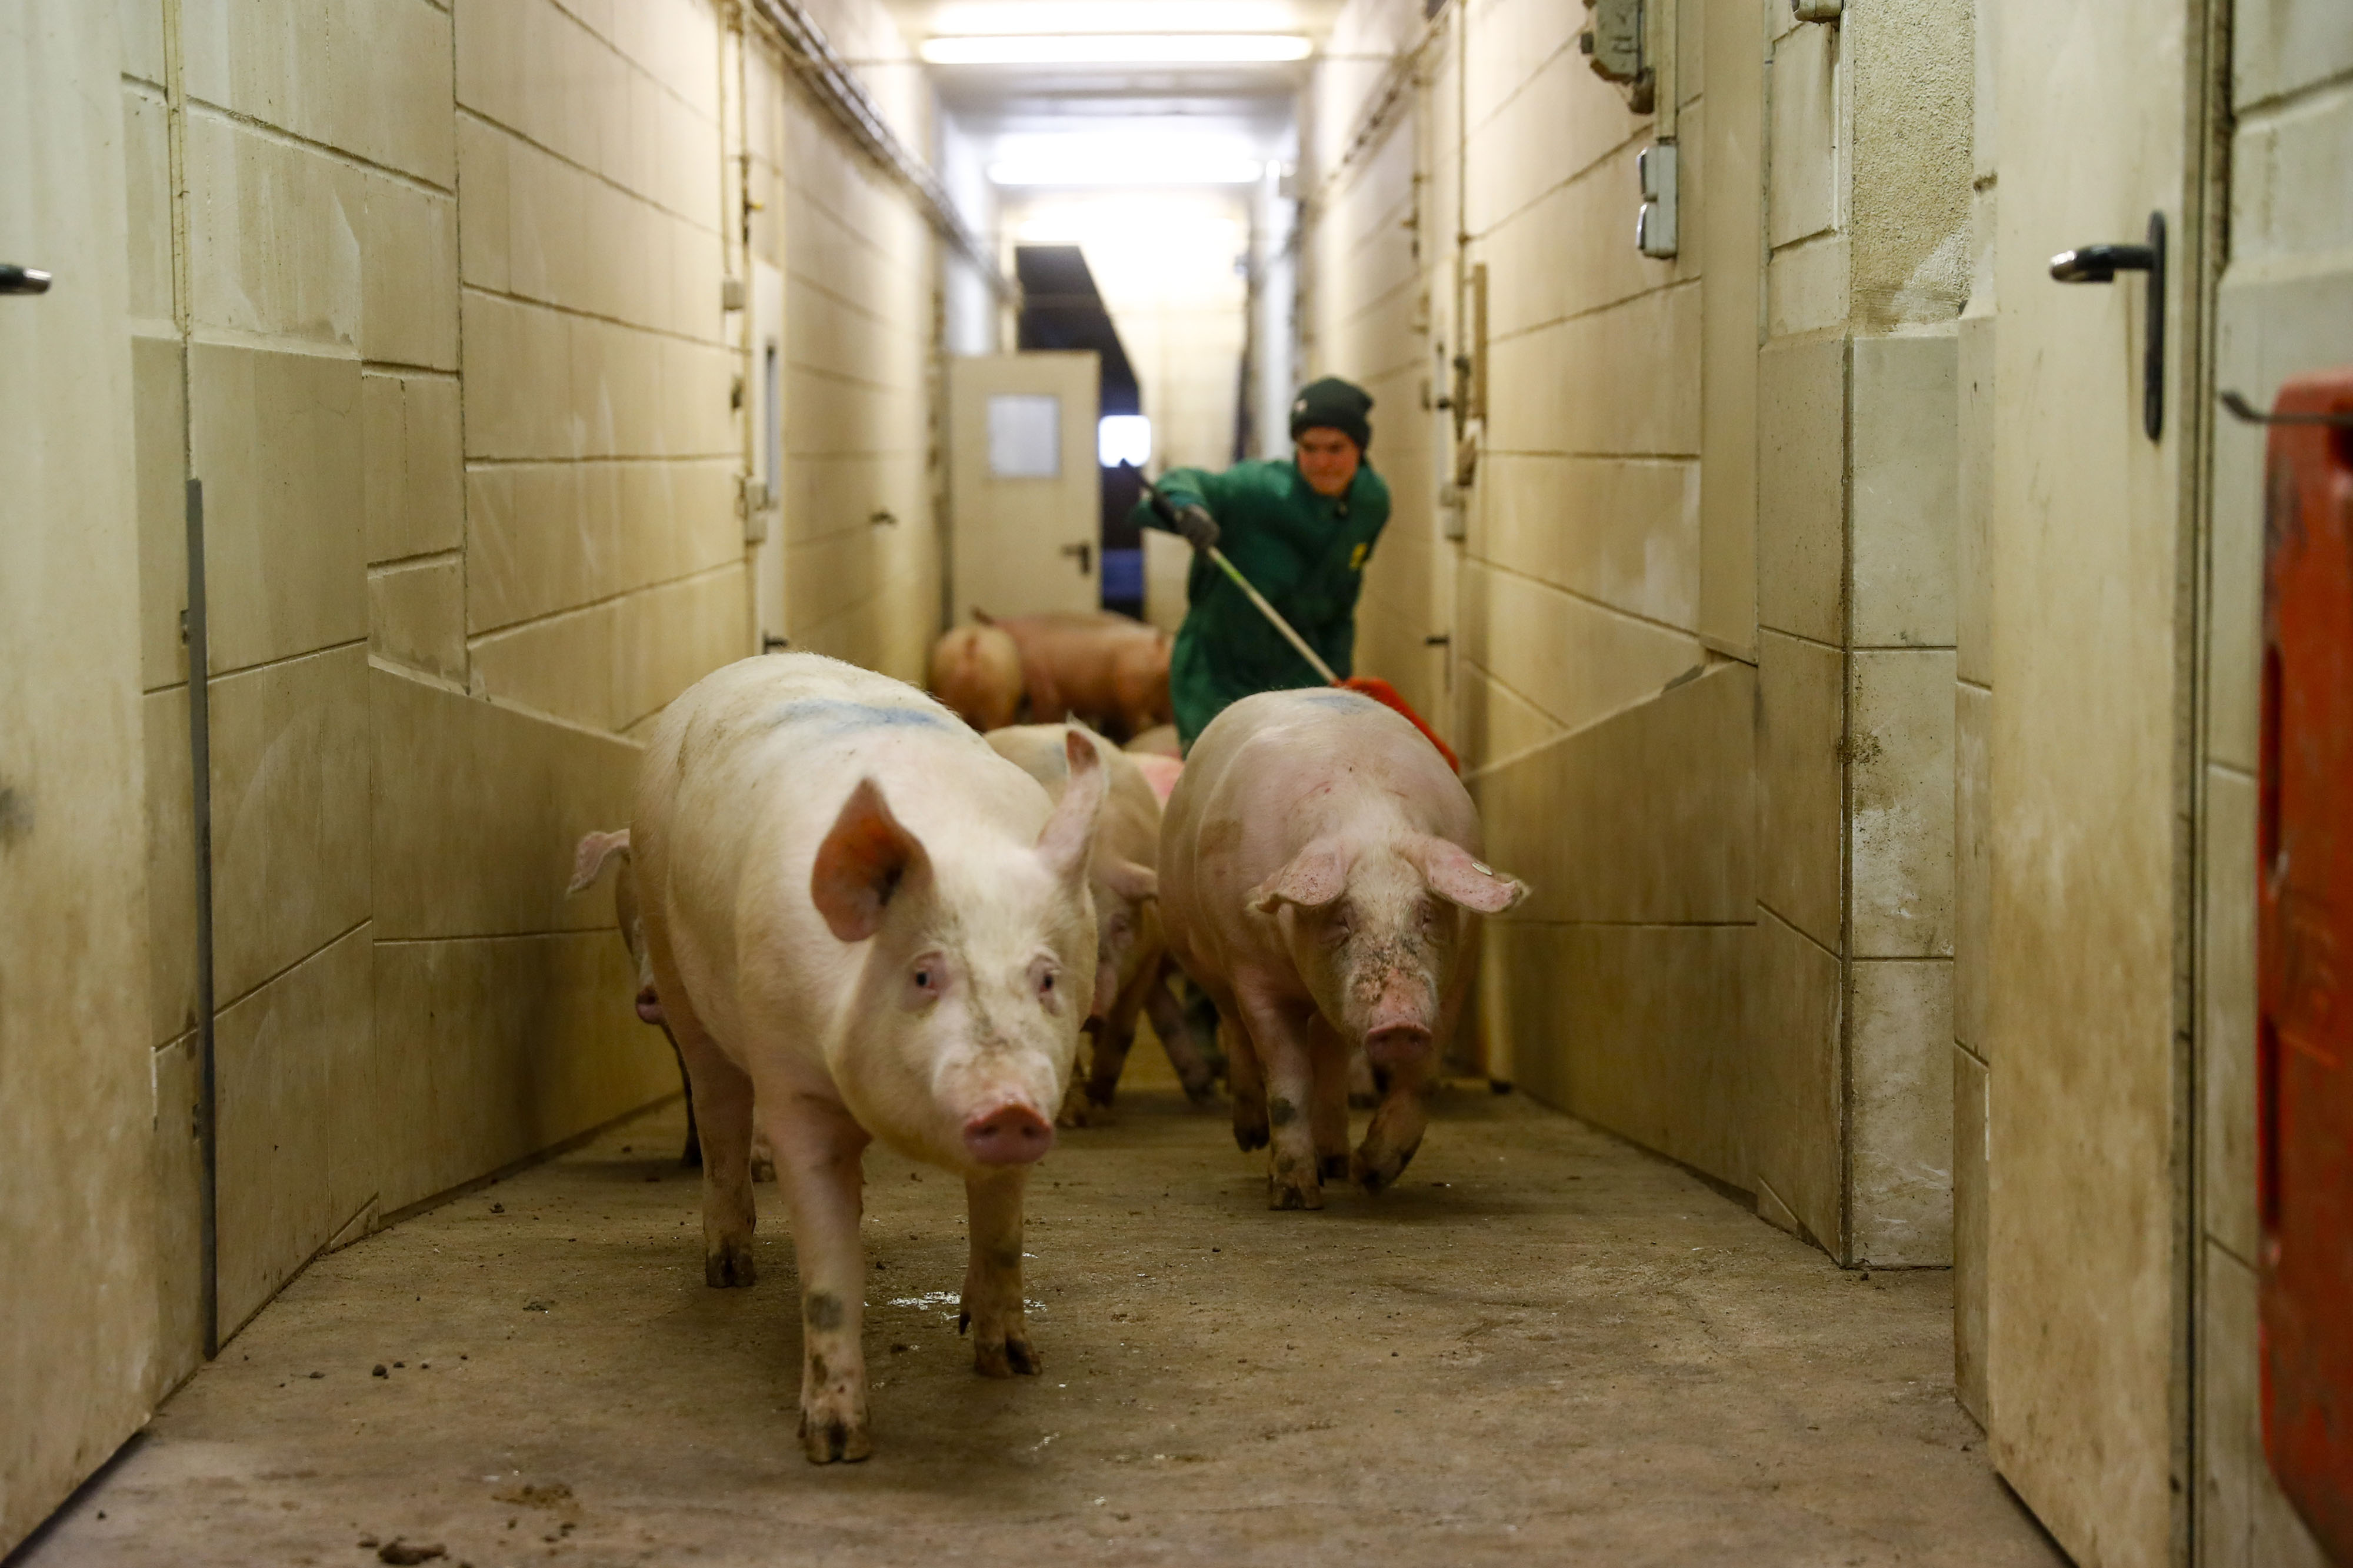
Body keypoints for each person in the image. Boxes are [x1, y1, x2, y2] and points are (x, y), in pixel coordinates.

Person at [1135, 375, 1392, 749]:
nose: (1321, 462)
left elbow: (1345, 593)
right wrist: (1188, 508)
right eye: (1309, 448)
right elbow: (1187, 481)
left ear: (1360, 448)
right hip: (1219, 677)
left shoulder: (1371, 504)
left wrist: (1339, 680)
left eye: (1336, 449)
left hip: (1303, 673)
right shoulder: (1256, 490)